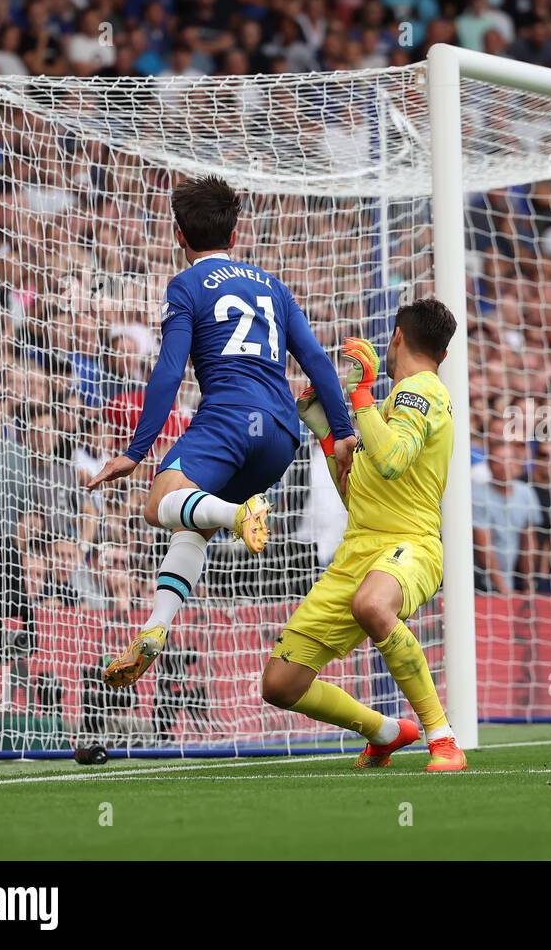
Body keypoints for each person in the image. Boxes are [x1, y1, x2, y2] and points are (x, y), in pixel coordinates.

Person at [86, 175, 355, 688]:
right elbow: (317, 359)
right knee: (194, 524)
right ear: (235, 235)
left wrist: (136, 452)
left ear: (178, 236)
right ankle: (155, 629)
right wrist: (340, 430)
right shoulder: (273, 285)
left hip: (230, 418)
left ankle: (239, 514)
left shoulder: (185, 286)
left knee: (157, 502)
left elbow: (168, 371)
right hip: (279, 435)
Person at [261, 297, 467, 772]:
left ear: (396, 337)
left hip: (410, 545)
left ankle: (443, 739)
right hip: (357, 551)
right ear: (445, 351)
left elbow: (393, 461)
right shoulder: (390, 409)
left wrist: (361, 393)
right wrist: (327, 434)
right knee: (280, 684)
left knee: (373, 605)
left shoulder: (422, 392)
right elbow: (358, 494)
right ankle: (386, 731)